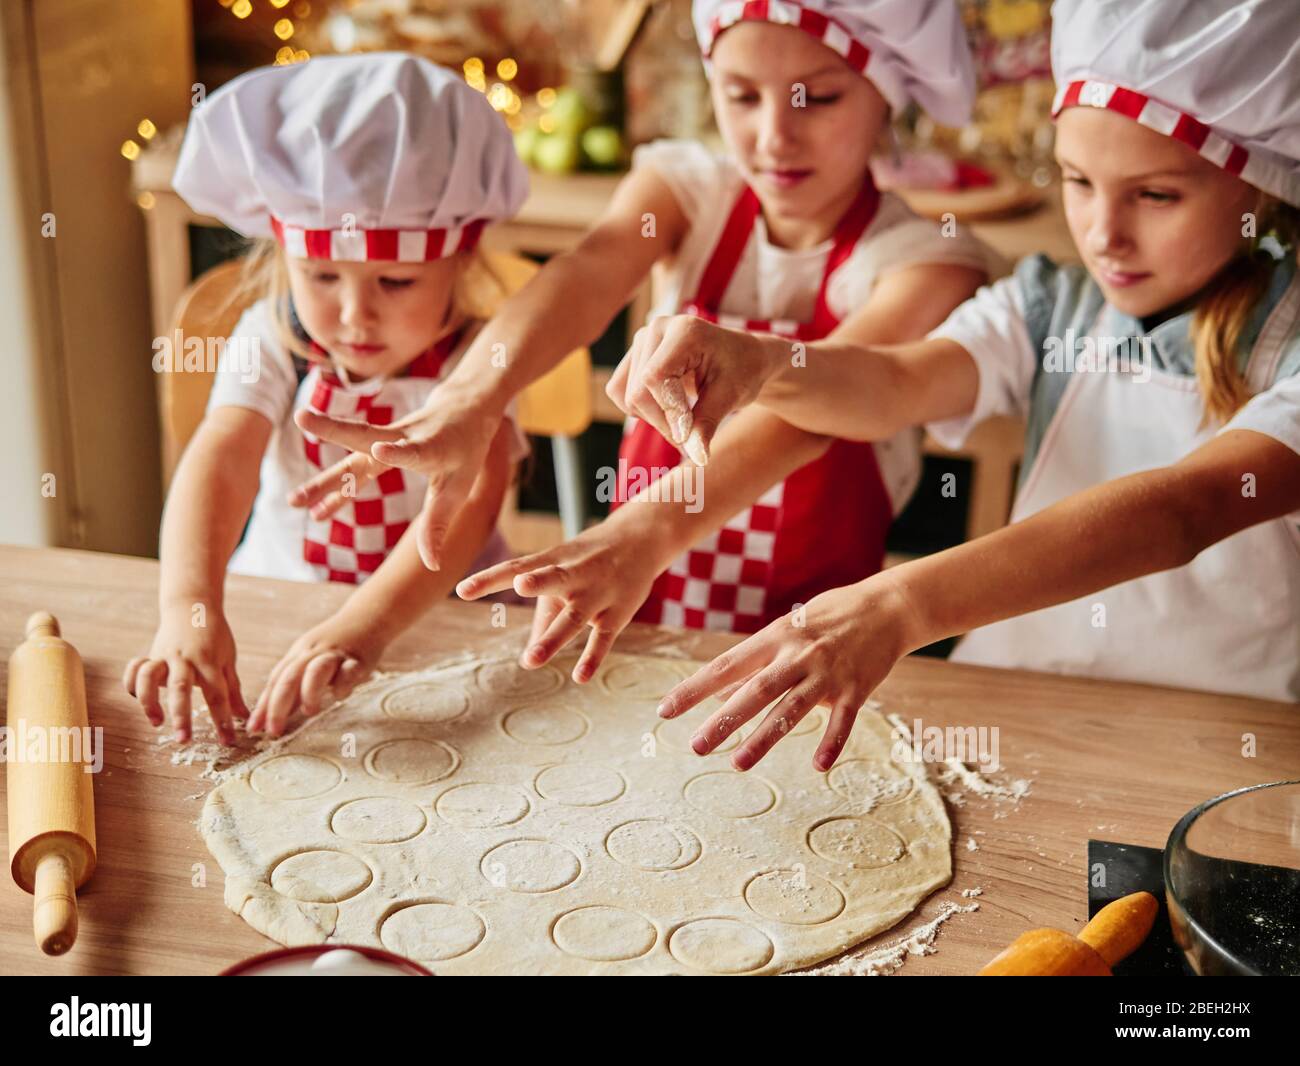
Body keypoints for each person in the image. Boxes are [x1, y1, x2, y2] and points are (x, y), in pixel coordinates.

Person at [624, 0, 1300, 773]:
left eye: (1155, 195)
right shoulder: (1051, 305)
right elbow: (898, 381)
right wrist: (765, 363)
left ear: (1258, 185)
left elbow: (1184, 511)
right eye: (1079, 182)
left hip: (1228, 750)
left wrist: (901, 604)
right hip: (1020, 708)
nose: (1103, 233)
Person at [294, 0, 994, 681]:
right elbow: (588, 274)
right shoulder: (689, 192)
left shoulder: (924, 261)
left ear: (887, 94)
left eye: (819, 98)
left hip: (811, 645)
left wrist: (641, 534)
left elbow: (801, 422)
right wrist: (471, 398)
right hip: (632, 607)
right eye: (743, 95)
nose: (776, 135)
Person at [122, 54, 529, 741]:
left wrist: (360, 630)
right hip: (280, 604)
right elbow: (220, 459)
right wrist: (189, 606)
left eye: (395, 282)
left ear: (460, 261)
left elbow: (472, 504)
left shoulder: (479, 360)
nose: (353, 316)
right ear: (286, 261)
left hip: (445, 615)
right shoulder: (273, 337)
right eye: (320, 276)